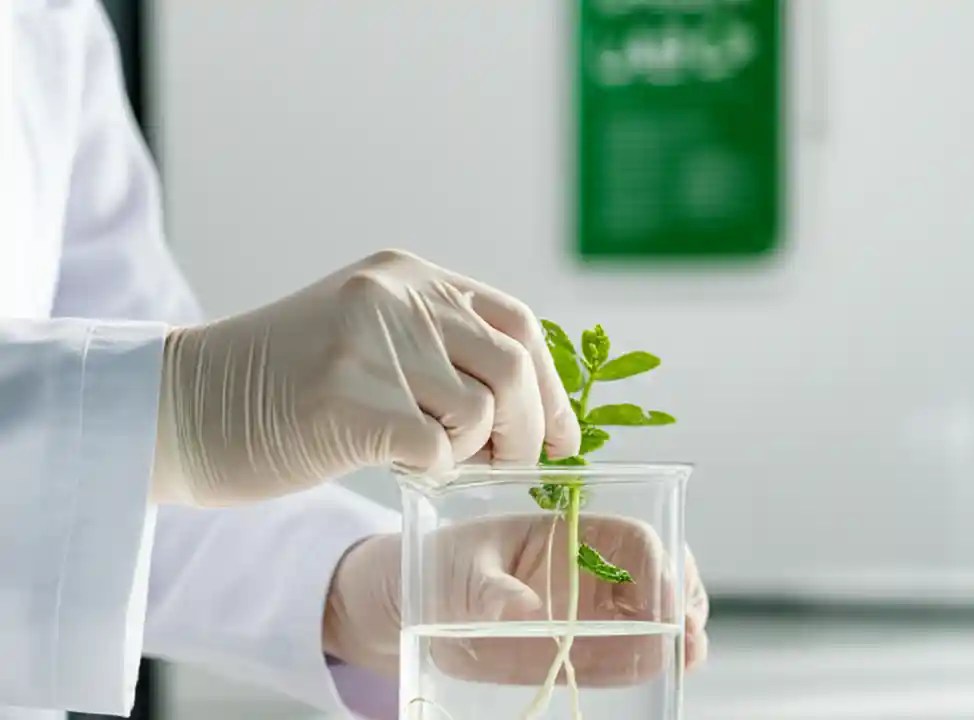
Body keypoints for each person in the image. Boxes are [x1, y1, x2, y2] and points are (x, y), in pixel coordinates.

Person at [0, 2, 710, 718]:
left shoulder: (48, 19)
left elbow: (105, 502)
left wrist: (360, 585)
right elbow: (130, 427)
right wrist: (172, 412)